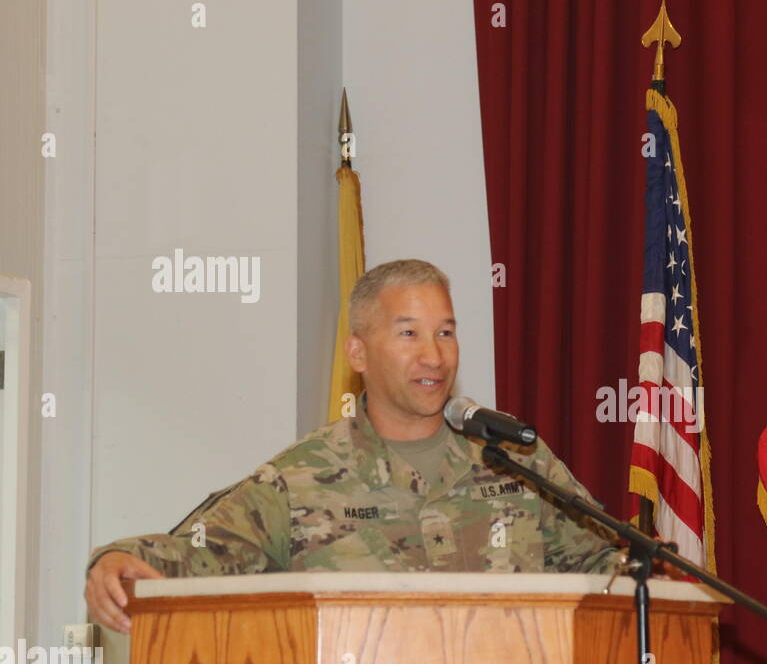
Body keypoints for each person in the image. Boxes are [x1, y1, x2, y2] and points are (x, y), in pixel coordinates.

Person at [84, 259, 623, 634]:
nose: (434, 356)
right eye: (409, 334)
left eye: (446, 332)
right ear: (358, 353)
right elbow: (198, 555)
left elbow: (607, 562)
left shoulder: (517, 461)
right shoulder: (299, 480)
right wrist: (117, 559)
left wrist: (650, 573)